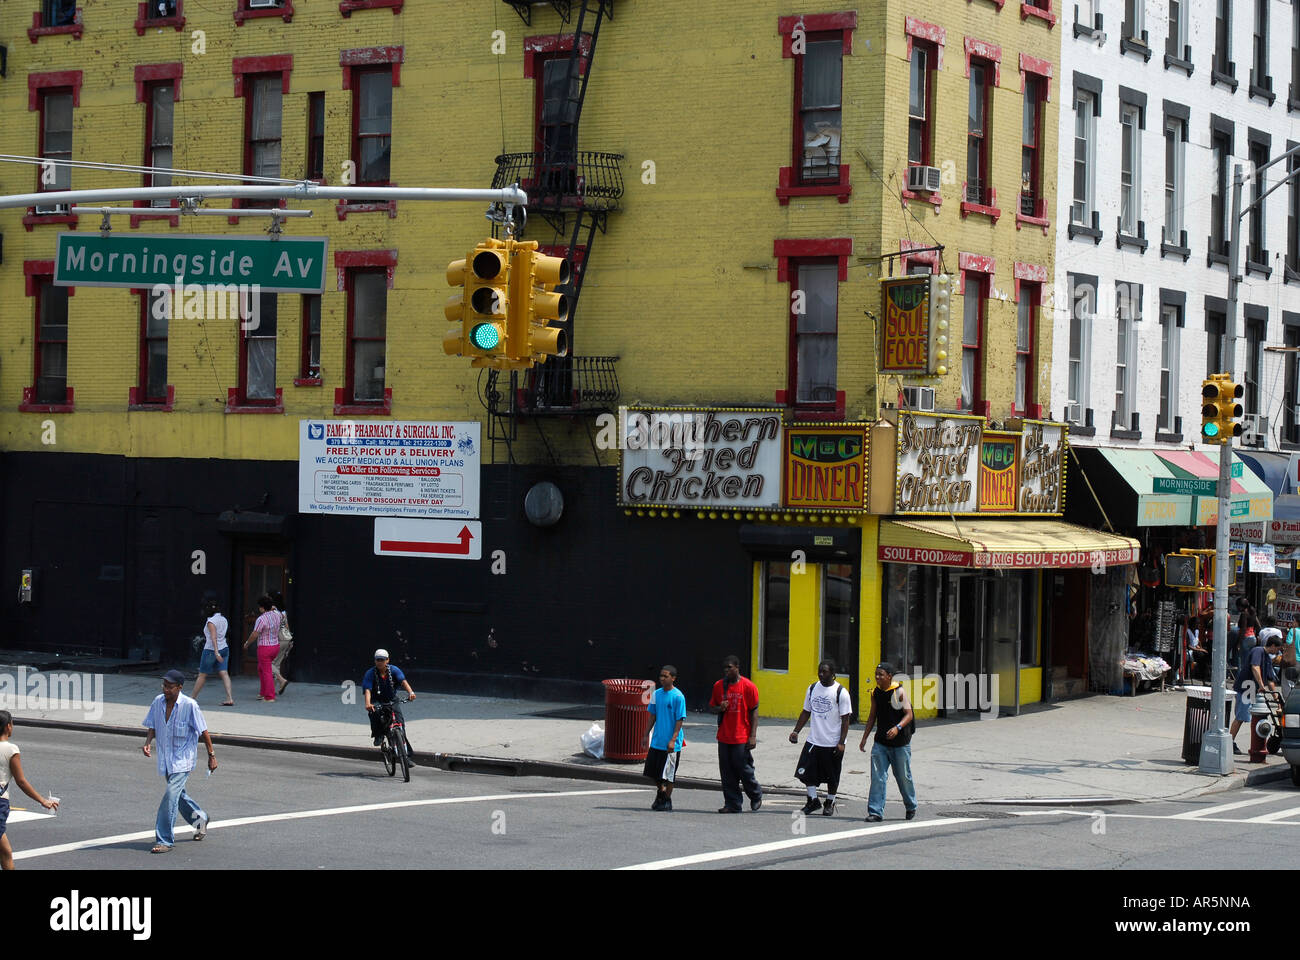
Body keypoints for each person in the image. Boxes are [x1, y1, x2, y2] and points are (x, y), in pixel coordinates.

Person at [142, 670, 217, 854]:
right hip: (166, 759)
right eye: (164, 685)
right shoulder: (157, 701)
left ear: (179, 687)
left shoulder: (190, 705)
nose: (165, 689)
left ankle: (164, 839)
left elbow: (203, 731)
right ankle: (201, 819)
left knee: (170, 795)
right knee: (179, 796)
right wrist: (147, 742)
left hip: (183, 760)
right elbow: (152, 723)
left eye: (169, 686)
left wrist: (211, 755)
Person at [788, 660, 852, 817]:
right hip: (813, 741)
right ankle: (813, 800)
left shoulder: (841, 692)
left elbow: (845, 720)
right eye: (819, 671)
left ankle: (830, 802)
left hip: (832, 743)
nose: (821, 674)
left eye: (824, 671)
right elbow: (806, 712)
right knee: (806, 773)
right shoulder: (812, 688)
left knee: (832, 776)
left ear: (833, 673)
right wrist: (796, 731)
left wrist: (841, 742)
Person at [0, 710, 59, 870]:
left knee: (5, 852)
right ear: (8, 726)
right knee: (5, 852)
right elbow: (21, 781)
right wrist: (43, 801)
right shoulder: (11, 749)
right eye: (12, 724)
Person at [859, 663, 917, 822]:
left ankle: (911, 805)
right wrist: (864, 738)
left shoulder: (899, 691)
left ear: (889, 676)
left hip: (900, 744)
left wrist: (897, 727)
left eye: (881, 674)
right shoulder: (876, 693)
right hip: (881, 743)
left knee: (903, 777)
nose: (877, 677)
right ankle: (875, 811)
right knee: (878, 777)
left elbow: (909, 714)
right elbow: (872, 716)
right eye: (876, 674)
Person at [708, 655, 762, 814]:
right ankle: (732, 803)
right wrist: (720, 708)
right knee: (726, 771)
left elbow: (754, 712)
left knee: (743, 768)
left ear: (737, 667)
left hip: (741, 735)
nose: (726, 670)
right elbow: (712, 707)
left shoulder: (748, 686)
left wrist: (752, 735)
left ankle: (756, 794)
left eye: (729, 667)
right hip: (724, 735)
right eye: (724, 668)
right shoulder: (719, 686)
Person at [1230, 635, 1283, 755]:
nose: (1277, 652)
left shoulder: (1267, 658)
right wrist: (1261, 684)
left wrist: (1277, 699)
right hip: (1247, 687)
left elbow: (1270, 679)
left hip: (1253, 689)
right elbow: (1255, 667)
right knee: (1241, 716)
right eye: (1277, 649)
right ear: (1273, 646)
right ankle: (1230, 742)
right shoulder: (1258, 651)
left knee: (1255, 717)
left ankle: (1257, 743)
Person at [643, 665, 686, 812]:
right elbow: (652, 715)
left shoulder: (678, 697)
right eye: (661, 676)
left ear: (673, 678)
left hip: (671, 744)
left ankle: (666, 800)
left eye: (665, 676)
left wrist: (673, 739)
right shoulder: (657, 694)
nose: (662, 679)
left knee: (669, 775)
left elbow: (679, 720)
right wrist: (645, 734)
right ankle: (661, 792)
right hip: (657, 741)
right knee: (652, 772)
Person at [363, 649, 416, 751]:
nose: (379, 662)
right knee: (374, 713)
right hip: (376, 700)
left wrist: (411, 693)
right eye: (377, 660)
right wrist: (368, 703)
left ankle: (406, 755)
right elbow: (367, 690)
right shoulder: (370, 673)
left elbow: (403, 682)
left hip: (392, 699)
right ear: (375, 661)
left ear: (387, 660)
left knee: (400, 724)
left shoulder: (394, 670)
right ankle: (378, 735)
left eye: (382, 660)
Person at [191, 600, 233, 706]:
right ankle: (229, 698)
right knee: (224, 673)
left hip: (211, 650)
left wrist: (216, 652)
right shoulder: (224, 619)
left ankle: (192, 698)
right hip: (225, 648)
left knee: (202, 675)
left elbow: (213, 637)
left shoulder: (211, 622)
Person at [243, 594, 280, 702]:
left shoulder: (261, 619)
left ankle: (269, 696)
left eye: (260, 606)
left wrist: (247, 643)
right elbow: (277, 611)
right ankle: (263, 693)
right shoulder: (277, 615)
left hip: (265, 647)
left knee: (266, 671)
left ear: (262, 608)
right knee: (261, 668)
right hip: (275, 646)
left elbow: (255, 634)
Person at [270, 591, 293, 697]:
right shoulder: (283, 611)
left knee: (269, 663)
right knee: (277, 664)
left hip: (278, 638)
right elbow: (287, 626)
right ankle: (274, 689)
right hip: (286, 638)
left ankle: (281, 682)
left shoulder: (273, 610)